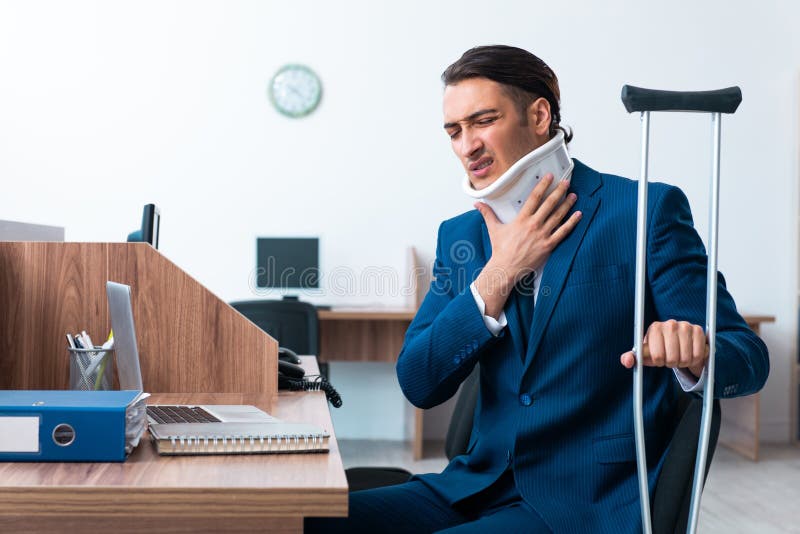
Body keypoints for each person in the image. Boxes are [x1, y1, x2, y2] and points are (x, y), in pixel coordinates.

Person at [306, 45, 769, 533]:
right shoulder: (461, 237)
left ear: (540, 114)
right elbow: (419, 383)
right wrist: (499, 273)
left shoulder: (643, 212)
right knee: (296, 521)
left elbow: (748, 356)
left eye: (483, 121)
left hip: (584, 504)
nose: (467, 145)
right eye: (454, 131)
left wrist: (697, 355)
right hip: (474, 485)